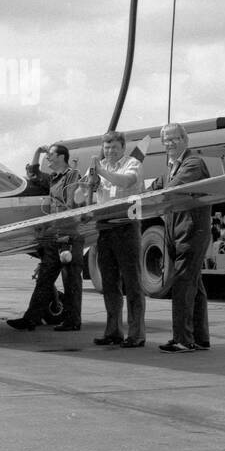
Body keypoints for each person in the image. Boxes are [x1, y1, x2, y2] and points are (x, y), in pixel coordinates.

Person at [6, 143, 84, 332]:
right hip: (54, 235)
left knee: (71, 280)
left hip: (68, 236)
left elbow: (73, 202)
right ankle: (31, 319)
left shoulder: (73, 176)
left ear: (61, 157)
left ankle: (73, 321)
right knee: (44, 280)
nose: (47, 158)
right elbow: (33, 174)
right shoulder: (53, 179)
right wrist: (36, 152)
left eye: (50, 155)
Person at [90, 131, 145, 347]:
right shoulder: (98, 167)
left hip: (126, 226)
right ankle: (113, 331)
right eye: (106, 147)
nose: (109, 151)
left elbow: (127, 181)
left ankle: (136, 334)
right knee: (110, 284)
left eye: (114, 147)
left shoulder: (133, 164)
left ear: (123, 147)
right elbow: (81, 196)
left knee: (132, 283)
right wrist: (89, 183)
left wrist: (101, 171)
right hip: (105, 228)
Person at [158, 123, 210, 353]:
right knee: (193, 285)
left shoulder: (193, 163)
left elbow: (171, 189)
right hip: (175, 231)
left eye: (174, 139)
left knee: (182, 283)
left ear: (185, 140)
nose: (170, 143)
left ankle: (183, 339)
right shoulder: (170, 167)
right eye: (166, 140)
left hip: (191, 232)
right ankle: (199, 338)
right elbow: (157, 187)